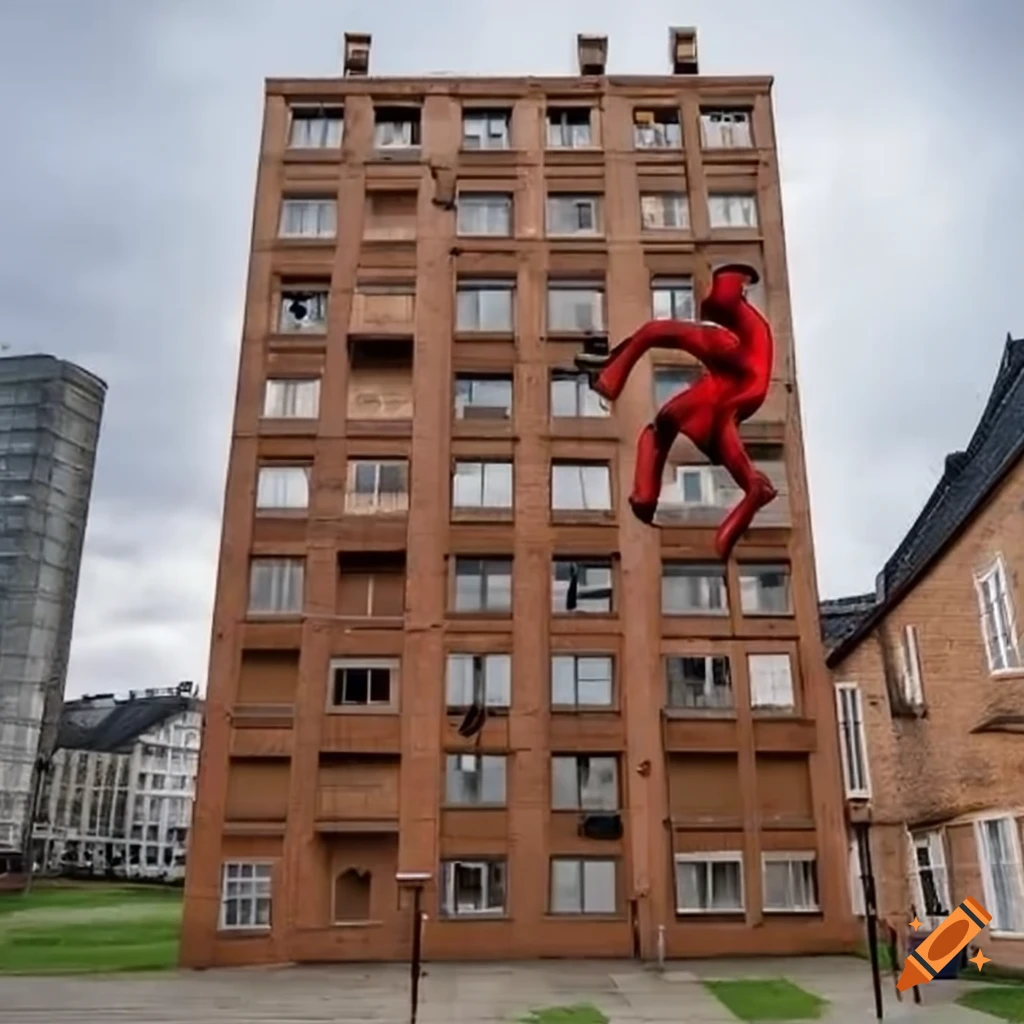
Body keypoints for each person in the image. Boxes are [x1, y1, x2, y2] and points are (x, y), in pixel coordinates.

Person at [575, 263, 777, 560]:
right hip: (729, 381)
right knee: (672, 419)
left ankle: (748, 490)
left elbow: (668, 329)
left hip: (736, 377)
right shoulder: (731, 339)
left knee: (688, 416)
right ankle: (648, 496)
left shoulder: (732, 339)